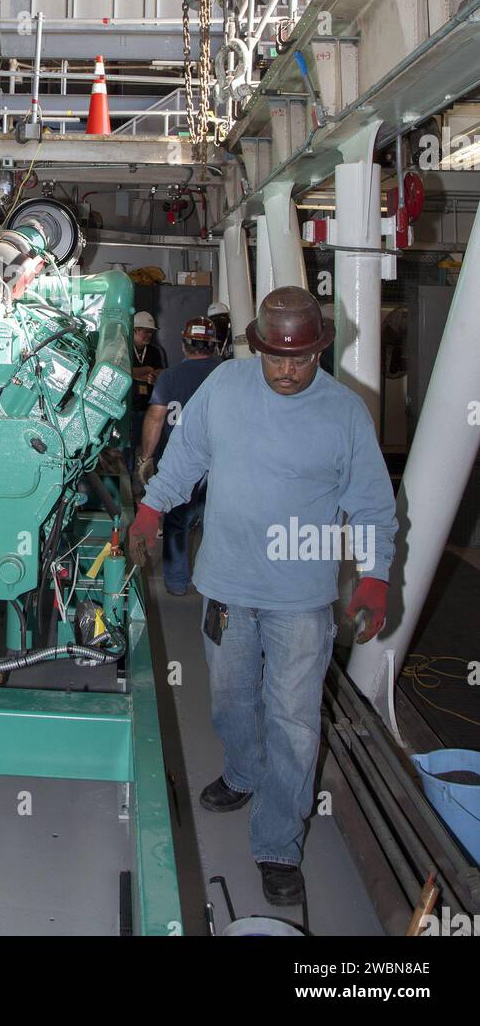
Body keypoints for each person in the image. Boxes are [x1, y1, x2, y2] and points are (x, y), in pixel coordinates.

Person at [128, 287, 397, 907]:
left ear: (320, 351)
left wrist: (375, 574)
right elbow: (185, 456)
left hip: (300, 597)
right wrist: (150, 508)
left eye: (299, 359)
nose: (285, 370)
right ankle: (245, 770)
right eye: (274, 356)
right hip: (224, 585)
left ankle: (278, 843)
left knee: (296, 723)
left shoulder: (346, 414)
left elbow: (372, 508)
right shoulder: (224, 388)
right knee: (228, 699)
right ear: (256, 347)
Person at [134, 317, 220, 596]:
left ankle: (176, 582)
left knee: (176, 522)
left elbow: (156, 418)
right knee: (216, 523)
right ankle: (217, 584)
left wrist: (146, 457)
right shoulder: (226, 374)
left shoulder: (170, 377)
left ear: (184, 345)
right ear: (214, 345)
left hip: (178, 465)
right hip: (220, 466)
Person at [129, 311, 166, 462]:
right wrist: (149, 369)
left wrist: (141, 374)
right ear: (135, 330)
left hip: (149, 408)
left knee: (151, 448)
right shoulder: (125, 349)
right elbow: (124, 372)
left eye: (151, 332)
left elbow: (162, 371)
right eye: (146, 331)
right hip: (130, 409)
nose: (149, 335)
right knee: (128, 448)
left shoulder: (155, 351)